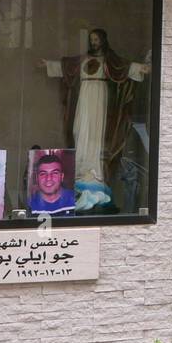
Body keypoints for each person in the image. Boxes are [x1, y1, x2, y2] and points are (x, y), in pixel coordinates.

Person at [38, 28, 149, 208]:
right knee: (79, 130)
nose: (93, 42)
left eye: (96, 39)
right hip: (84, 98)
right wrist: (48, 64)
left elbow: (124, 67)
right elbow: (66, 66)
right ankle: (80, 171)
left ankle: (95, 172)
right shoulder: (82, 60)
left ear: (103, 40)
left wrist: (141, 68)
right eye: (92, 39)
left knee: (96, 134)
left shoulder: (108, 60)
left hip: (99, 97)